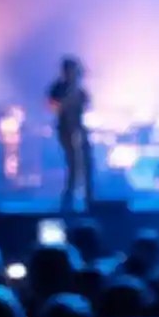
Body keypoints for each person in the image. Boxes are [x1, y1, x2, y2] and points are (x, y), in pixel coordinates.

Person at [47, 56, 94, 213]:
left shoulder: (80, 91)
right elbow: (52, 106)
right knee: (73, 165)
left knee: (86, 164)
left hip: (79, 130)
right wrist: (65, 103)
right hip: (65, 130)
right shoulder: (59, 88)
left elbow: (87, 106)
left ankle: (89, 200)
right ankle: (68, 201)